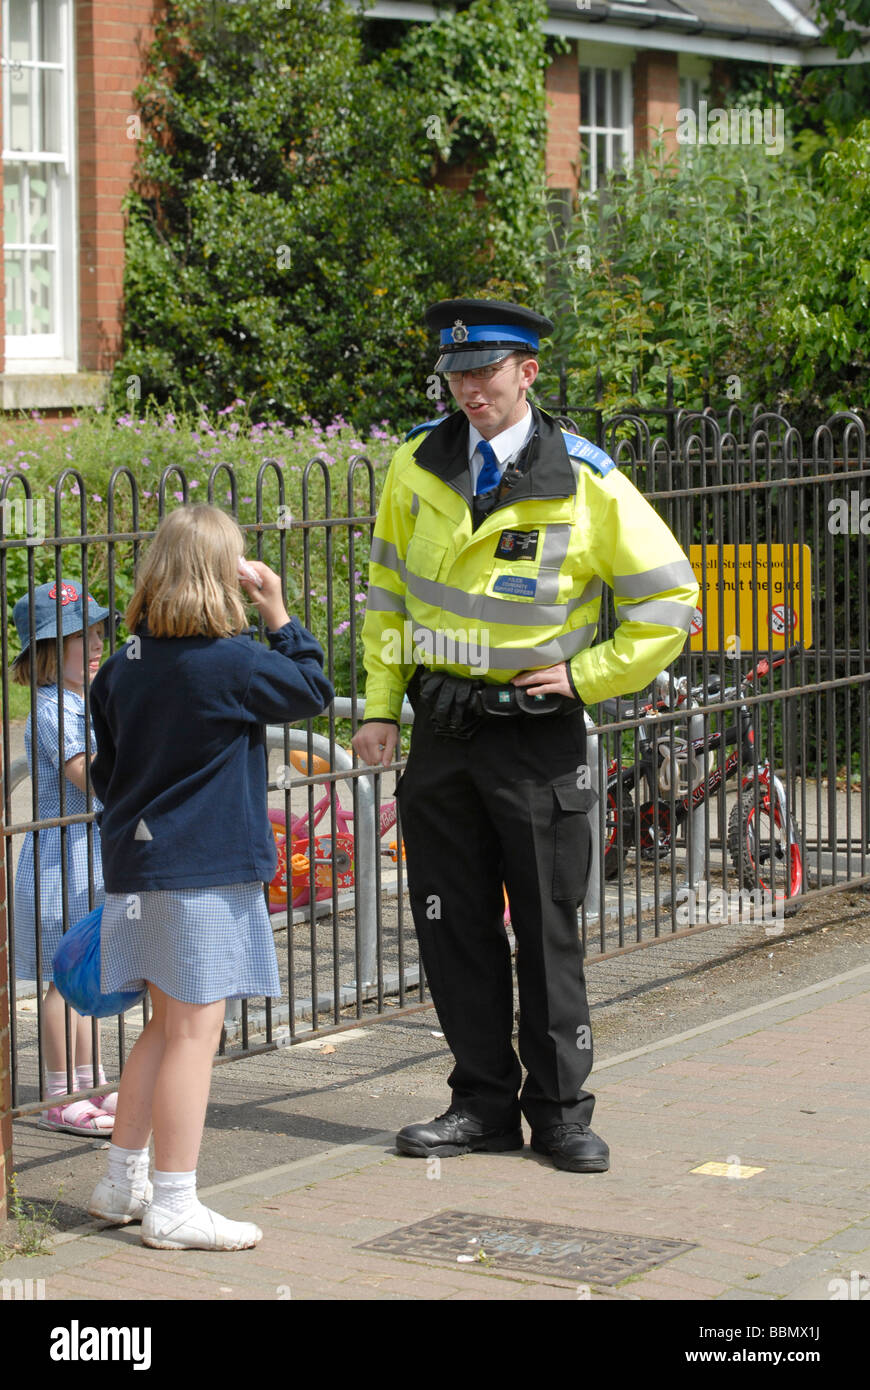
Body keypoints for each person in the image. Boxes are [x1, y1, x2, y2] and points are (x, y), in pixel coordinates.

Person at [353, 298, 699, 1173]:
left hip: (533, 736)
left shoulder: (583, 478)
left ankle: (559, 1113)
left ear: (528, 373)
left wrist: (586, 678)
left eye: (485, 373)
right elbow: (388, 598)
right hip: (440, 731)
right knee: (451, 924)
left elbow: (668, 599)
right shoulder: (415, 467)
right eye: (455, 375)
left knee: (546, 932)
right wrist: (379, 706)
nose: (468, 390)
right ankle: (479, 1105)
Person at [86, 505, 333, 1250]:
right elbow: (313, 690)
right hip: (201, 871)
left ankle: (120, 1179)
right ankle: (174, 1203)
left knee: (162, 1027)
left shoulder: (118, 667)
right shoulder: (230, 661)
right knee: (196, 1032)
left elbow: (106, 771)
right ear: (222, 574)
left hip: (136, 865)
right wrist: (279, 610)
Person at [11, 580, 117, 1135]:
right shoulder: (52, 711)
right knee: (62, 980)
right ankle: (58, 1094)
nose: (98, 642)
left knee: (87, 973)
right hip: (58, 861)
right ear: (49, 651)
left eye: (98, 631)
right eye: (83, 636)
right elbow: (86, 775)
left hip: (89, 855)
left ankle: (91, 1080)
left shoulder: (83, 702)